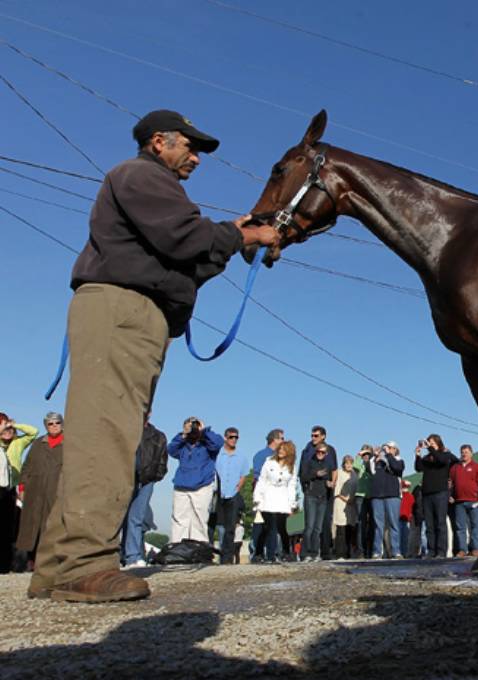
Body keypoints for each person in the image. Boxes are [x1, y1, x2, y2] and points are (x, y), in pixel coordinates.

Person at [29, 110, 280, 603]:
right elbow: (184, 237)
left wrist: (230, 236)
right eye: (190, 147)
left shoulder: (153, 188)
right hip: (123, 310)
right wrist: (245, 236)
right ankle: (85, 565)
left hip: (136, 314)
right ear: (158, 142)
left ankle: (58, 567)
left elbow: (189, 256)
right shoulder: (141, 174)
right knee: (108, 435)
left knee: (100, 435)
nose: (195, 158)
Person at [14, 413, 64, 571]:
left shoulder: (69, 444)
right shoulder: (37, 444)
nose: (54, 425)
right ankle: (31, 562)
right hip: (35, 493)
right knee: (31, 529)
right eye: (50, 423)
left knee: (53, 528)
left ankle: (52, 563)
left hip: (57, 493)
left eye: (57, 422)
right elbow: (26, 467)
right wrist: (22, 488)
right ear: (46, 426)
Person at [168, 417, 223, 544]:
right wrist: (183, 435)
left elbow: (217, 444)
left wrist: (204, 431)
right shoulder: (183, 444)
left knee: (199, 519)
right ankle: (177, 547)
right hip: (181, 486)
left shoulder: (207, 443)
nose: (193, 428)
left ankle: (199, 548)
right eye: (190, 425)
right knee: (179, 519)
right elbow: (171, 450)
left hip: (202, 485)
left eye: (194, 425)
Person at [121, 418, 167, 567]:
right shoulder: (125, 429)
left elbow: (163, 460)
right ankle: (119, 554)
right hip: (125, 478)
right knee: (118, 518)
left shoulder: (158, 436)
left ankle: (133, 556)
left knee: (137, 519)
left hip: (146, 480)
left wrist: (154, 476)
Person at [0, 414, 37, 573]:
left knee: (11, 527)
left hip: (12, 489)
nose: (7, 431)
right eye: (4, 428)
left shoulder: (17, 443)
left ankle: (9, 563)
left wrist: (16, 424)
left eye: (10, 428)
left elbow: (33, 432)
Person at [252, 441, 299, 563]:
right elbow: (262, 480)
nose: (281, 451)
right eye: (280, 449)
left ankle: (286, 553)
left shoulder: (292, 467)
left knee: (282, 528)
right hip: (268, 497)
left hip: (282, 498)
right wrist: (258, 497)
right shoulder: (269, 462)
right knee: (267, 527)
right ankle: (258, 553)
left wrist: (292, 503)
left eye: (284, 449)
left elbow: (292, 485)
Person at [414, 434, 457, 558]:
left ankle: (441, 551)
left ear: (438, 443)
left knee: (440, 523)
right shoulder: (428, 457)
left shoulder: (444, 454)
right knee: (429, 524)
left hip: (440, 492)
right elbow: (418, 468)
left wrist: (431, 449)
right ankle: (431, 550)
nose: (429, 444)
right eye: (428, 442)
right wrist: (417, 455)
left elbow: (441, 461)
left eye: (432, 442)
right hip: (427, 493)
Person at [300, 426, 338, 559]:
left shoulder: (331, 450)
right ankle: (306, 553)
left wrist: (332, 484)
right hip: (311, 493)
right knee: (309, 526)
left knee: (322, 525)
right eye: (312, 435)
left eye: (316, 435)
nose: (313, 438)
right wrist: (305, 488)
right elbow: (302, 474)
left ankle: (322, 552)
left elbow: (334, 469)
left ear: (323, 436)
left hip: (325, 493)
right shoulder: (307, 451)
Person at [214, 427, 247, 565]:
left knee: (230, 528)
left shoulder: (241, 456)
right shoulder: (217, 454)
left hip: (233, 494)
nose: (233, 440)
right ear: (225, 438)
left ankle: (227, 557)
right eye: (231, 437)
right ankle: (215, 553)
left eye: (236, 437)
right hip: (218, 494)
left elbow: (243, 475)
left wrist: (238, 487)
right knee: (217, 526)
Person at [252, 429, 285, 562]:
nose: (283, 441)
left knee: (273, 526)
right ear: (274, 439)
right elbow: (257, 476)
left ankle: (272, 554)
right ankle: (258, 554)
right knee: (260, 525)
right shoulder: (261, 455)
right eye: (281, 438)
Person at [368, 441, 405, 559]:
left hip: (392, 495)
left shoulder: (399, 461)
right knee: (378, 525)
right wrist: (375, 456)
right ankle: (377, 551)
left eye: (390, 448)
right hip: (377, 496)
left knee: (394, 524)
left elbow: (397, 468)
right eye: (386, 448)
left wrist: (389, 455)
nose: (386, 450)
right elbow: (371, 470)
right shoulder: (377, 462)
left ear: (395, 449)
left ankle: (396, 551)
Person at [449, 444, 478, 557]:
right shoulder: (455, 468)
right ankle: (462, 550)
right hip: (459, 502)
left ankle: (475, 549)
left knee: (475, 526)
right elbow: (451, 484)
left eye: (466, 452)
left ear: (471, 453)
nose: (464, 454)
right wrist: (450, 495)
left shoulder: (477, 466)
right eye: (462, 452)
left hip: (474, 501)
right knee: (460, 527)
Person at [332, 454, 359, 559]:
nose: (348, 465)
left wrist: (352, 500)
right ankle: (340, 554)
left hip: (352, 505)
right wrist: (345, 499)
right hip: (341, 502)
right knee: (341, 529)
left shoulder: (354, 475)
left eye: (350, 463)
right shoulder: (339, 473)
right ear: (343, 464)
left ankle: (348, 553)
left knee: (350, 529)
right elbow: (337, 490)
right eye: (346, 463)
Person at [354, 447, 375, 558]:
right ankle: (361, 551)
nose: (366, 456)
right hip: (360, 497)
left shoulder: (373, 466)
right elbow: (354, 465)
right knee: (361, 524)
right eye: (364, 454)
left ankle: (371, 550)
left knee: (372, 524)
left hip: (372, 496)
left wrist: (372, 457)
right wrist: (359, 454)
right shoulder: (359, 466)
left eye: (368, 454)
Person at [398, 480, 414, 558]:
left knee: (401, 537)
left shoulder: (400, 496)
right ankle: (404, 553)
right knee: (405, 538)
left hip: (402, 518)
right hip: (406, 519)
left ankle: (401, 552)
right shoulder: (410, 496)